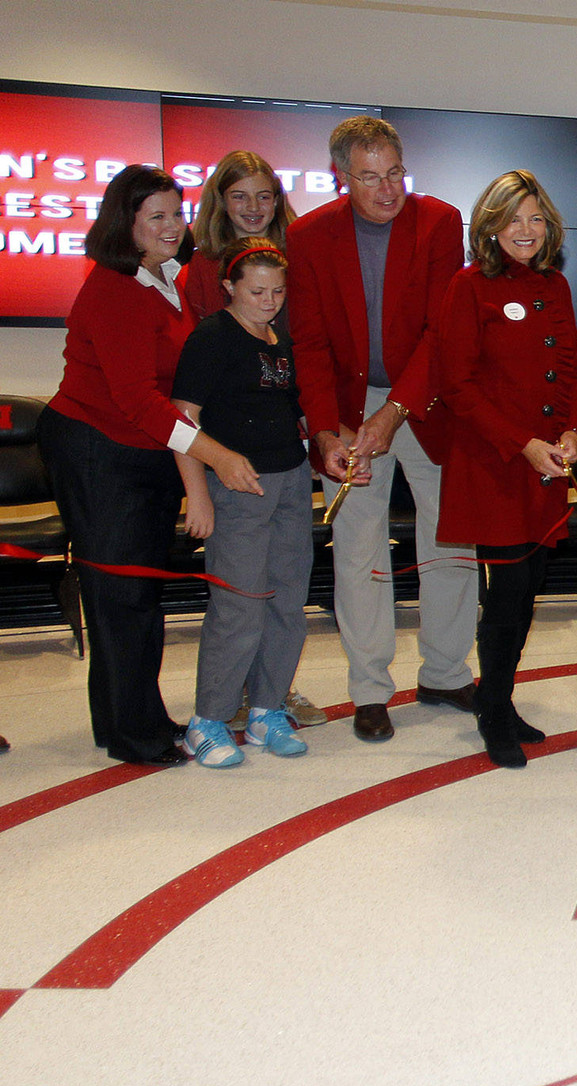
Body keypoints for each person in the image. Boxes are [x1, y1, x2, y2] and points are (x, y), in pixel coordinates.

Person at [40, 165, 250, 767]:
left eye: (176, 213)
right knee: (123, 595)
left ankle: (126, 718)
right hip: (97, 448)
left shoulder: (165, 278)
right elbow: (137, 399)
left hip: (140, 450)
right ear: (124, 224)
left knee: (130, 593)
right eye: (156, 216)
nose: (172, 225)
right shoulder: (114, 288)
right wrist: (213, 454)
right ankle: (135, 734)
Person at [288, 116, 476, 743]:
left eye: (395, 173)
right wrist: (326, 432)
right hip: (346, 409)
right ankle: (370, 689)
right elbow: (309, 344)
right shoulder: (308, 236)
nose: (388, 190)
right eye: (370, 178)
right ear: (342, 177)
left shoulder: (440, 221)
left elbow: (439, 332)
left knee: (451, 539)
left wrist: (394, 412)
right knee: (358, 548)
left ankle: (446, 673)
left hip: (427, 399)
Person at [433, 170, 577, 769]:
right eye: (513, 219)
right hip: (495, 465)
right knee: (508, 592)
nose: (526, 230)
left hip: (545, 467)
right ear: (491, 226)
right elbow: (457, 385)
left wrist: (574, 433)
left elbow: (570, 370)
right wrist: (523, 444)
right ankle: (492, 708)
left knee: (528, 590)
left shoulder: (555, 285)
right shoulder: (468, 285)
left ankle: (499, 696)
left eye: (536, 218)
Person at [179, 150, 326, 733]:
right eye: (257, 291)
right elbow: (183, 420)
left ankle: (268, 705)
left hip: (289, 477)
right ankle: (213, 716)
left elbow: (296, 401)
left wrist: (327, 445)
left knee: (287, 601)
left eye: (277, 292)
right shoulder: (212, 333)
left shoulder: (279, 336)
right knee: (238, 604)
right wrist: (199, 490)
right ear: (229, 287)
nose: (268, 301)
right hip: (236, 482)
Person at [179, 151, 299, 325]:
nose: (253, 207)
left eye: (263, 197)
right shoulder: (202, 264)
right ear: (221, 201)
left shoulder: (300, 257)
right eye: (239, 197)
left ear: (276, 201)